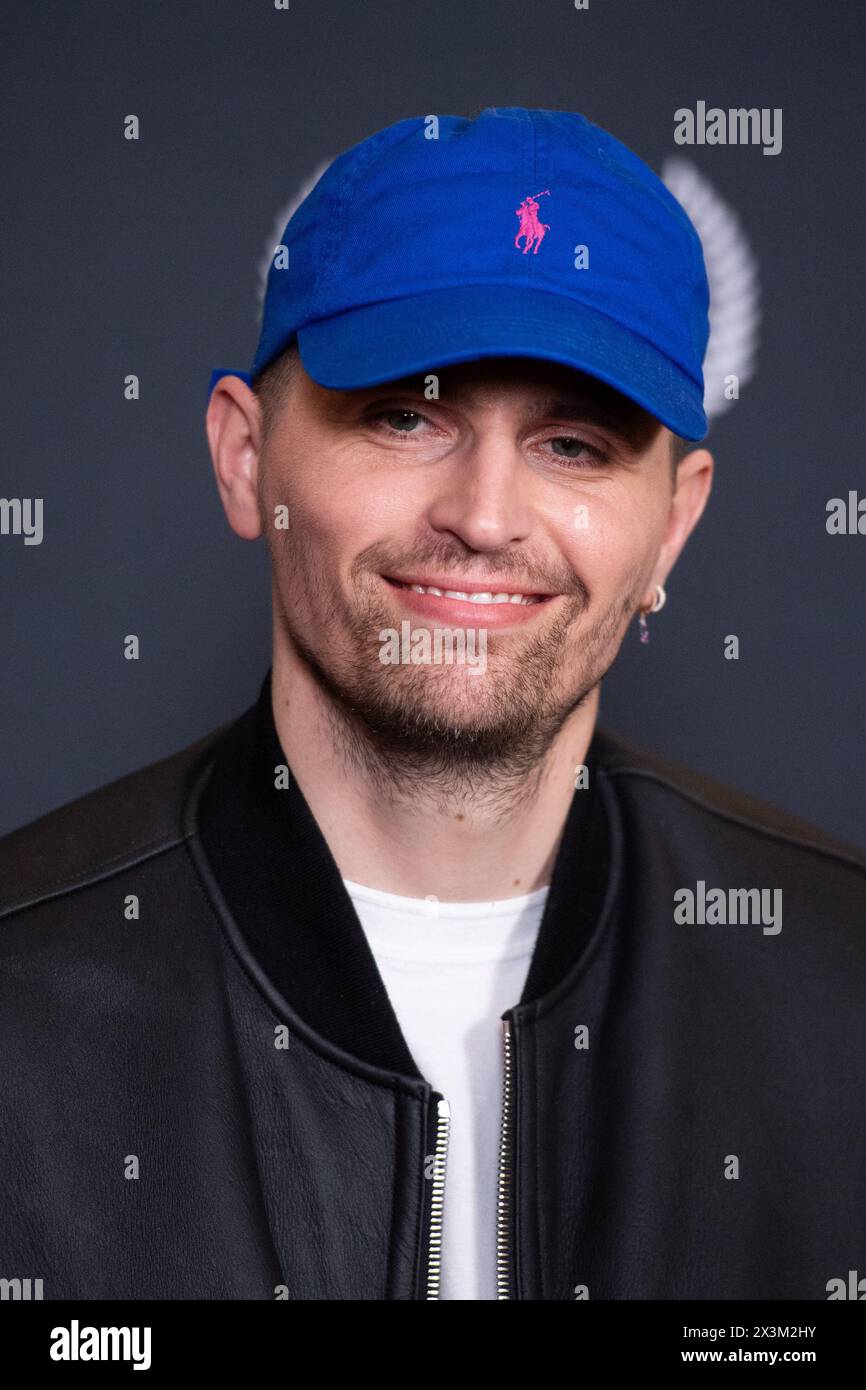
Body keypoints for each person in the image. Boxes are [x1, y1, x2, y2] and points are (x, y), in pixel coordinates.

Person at [1, 108, 864, 1302]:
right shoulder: (22, 1004)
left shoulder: (838, 991)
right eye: (405, 416)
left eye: (573, 443)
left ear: (671, 523)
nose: (486, 514)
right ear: (246, 459)